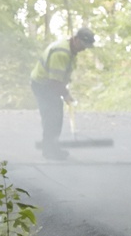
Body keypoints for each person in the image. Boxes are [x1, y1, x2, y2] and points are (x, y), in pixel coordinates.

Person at [30, 26, 95, 159]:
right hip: (42, 84)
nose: (84, 49)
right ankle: (49, 150)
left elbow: (61, 76)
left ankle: (52, 147)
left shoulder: (71, 50)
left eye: (86, 46)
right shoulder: (61, 53)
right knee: (52, 115)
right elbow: (54, 81)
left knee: (55, 112)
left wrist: (64, 90)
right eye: (83, 45)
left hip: (49, 84)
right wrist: (66, 95)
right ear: (75, 39)